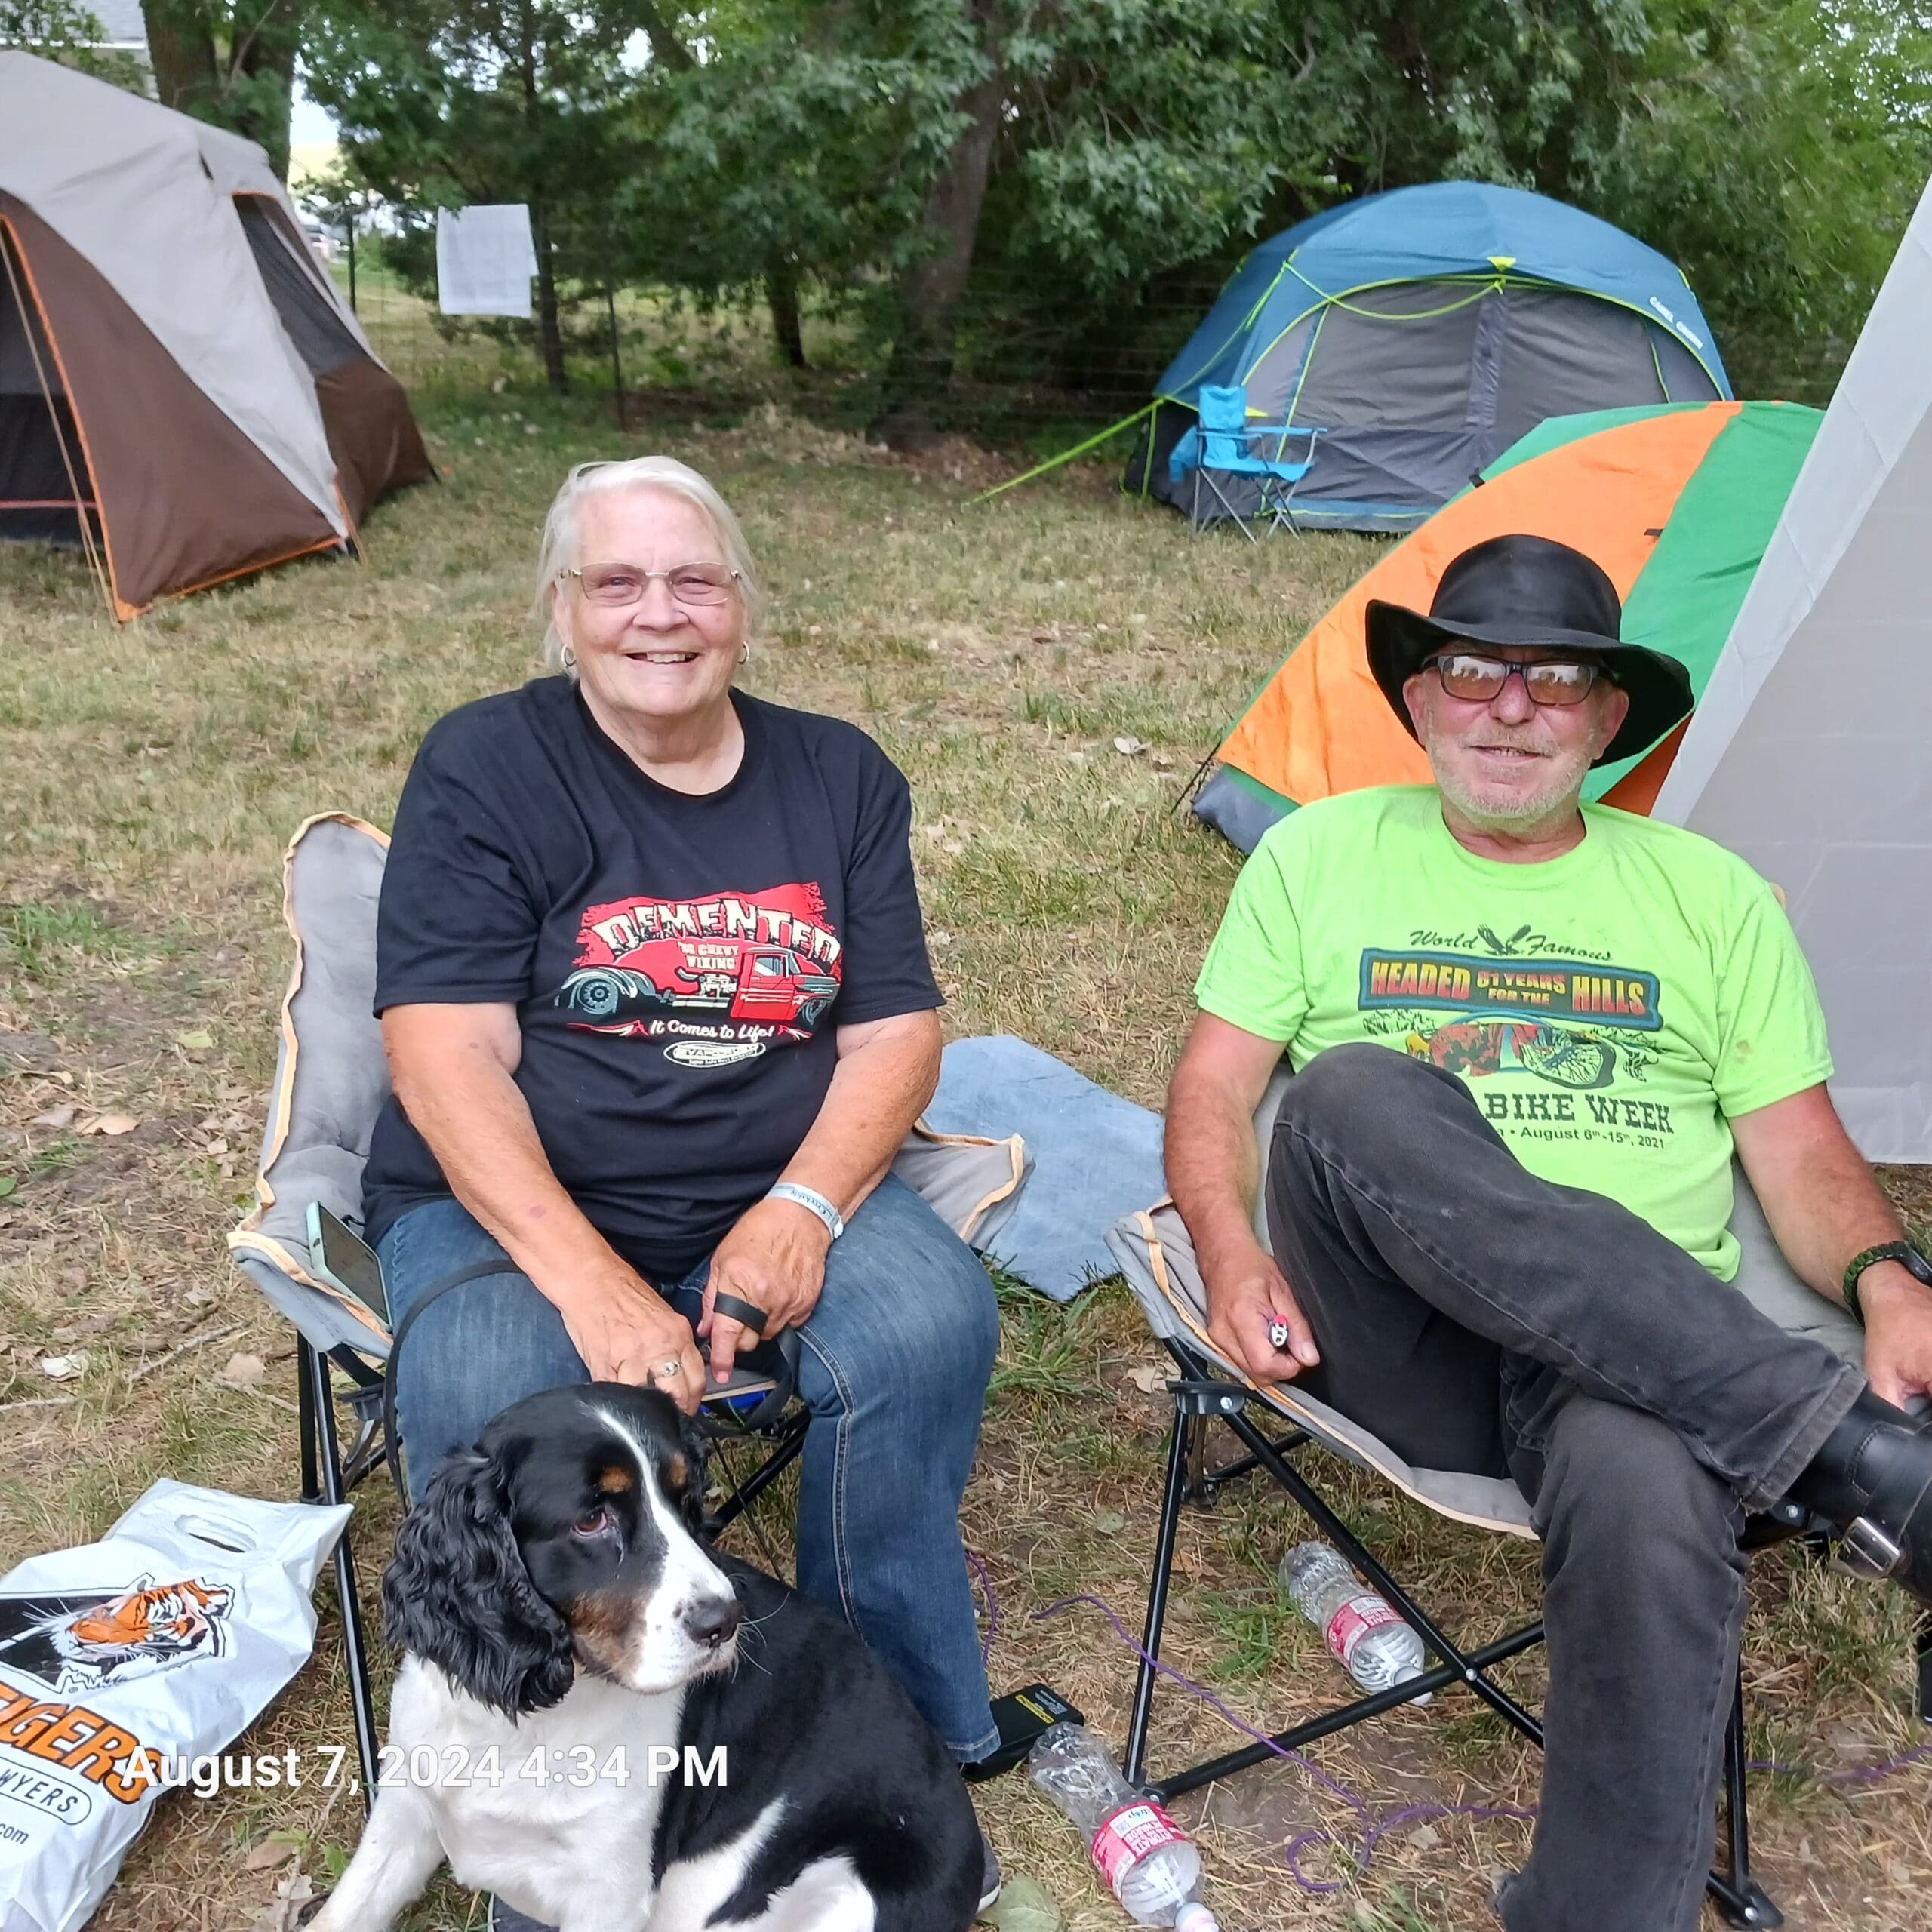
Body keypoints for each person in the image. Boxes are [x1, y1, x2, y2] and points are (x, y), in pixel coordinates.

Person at [1164, 533, 1932, 1932]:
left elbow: (1803, 1147)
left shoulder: (1709, 896)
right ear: (1419, 699)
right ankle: (1853, 1459)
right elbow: (1218, 1084)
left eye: (1555, 680)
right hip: (1401, 1336)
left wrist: (1888, 1274)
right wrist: (1227, 1246)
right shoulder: (1319, 854)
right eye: (1472, 671)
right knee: (1352, 1091)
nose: (1509, 709)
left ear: (1607, 716)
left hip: (1645, 1367)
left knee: (1647, 1473)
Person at [358, 456, 1004, 1920]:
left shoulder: (836, 773)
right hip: (514, 1204)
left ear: (744, 606)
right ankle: (535, 1776)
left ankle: (877, 1726)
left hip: (769, 1176)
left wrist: (805, 1208)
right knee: (487, 1388)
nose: (660, 614)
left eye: (694, 578)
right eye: (618, 582)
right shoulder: (485, 766)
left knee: (924, 1328)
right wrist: (592, 1284)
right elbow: (442, 1052)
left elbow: (895, 1029)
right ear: (560, 611)